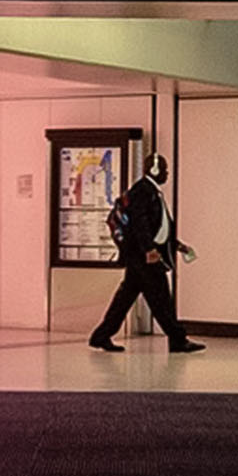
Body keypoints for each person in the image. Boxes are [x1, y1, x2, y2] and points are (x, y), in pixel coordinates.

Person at [88, 151, 205, 353]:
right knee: (161, 299)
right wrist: (149, 250)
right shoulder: (143, 192)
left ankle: (101, 335)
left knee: (125, 298)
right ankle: (177, 339)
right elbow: (140, 224)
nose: (167, 174)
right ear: (155, 170)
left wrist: (176, 245)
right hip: (144, 258)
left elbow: (158, 227)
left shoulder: (150, 191)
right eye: (165, 170)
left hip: (140, 257)